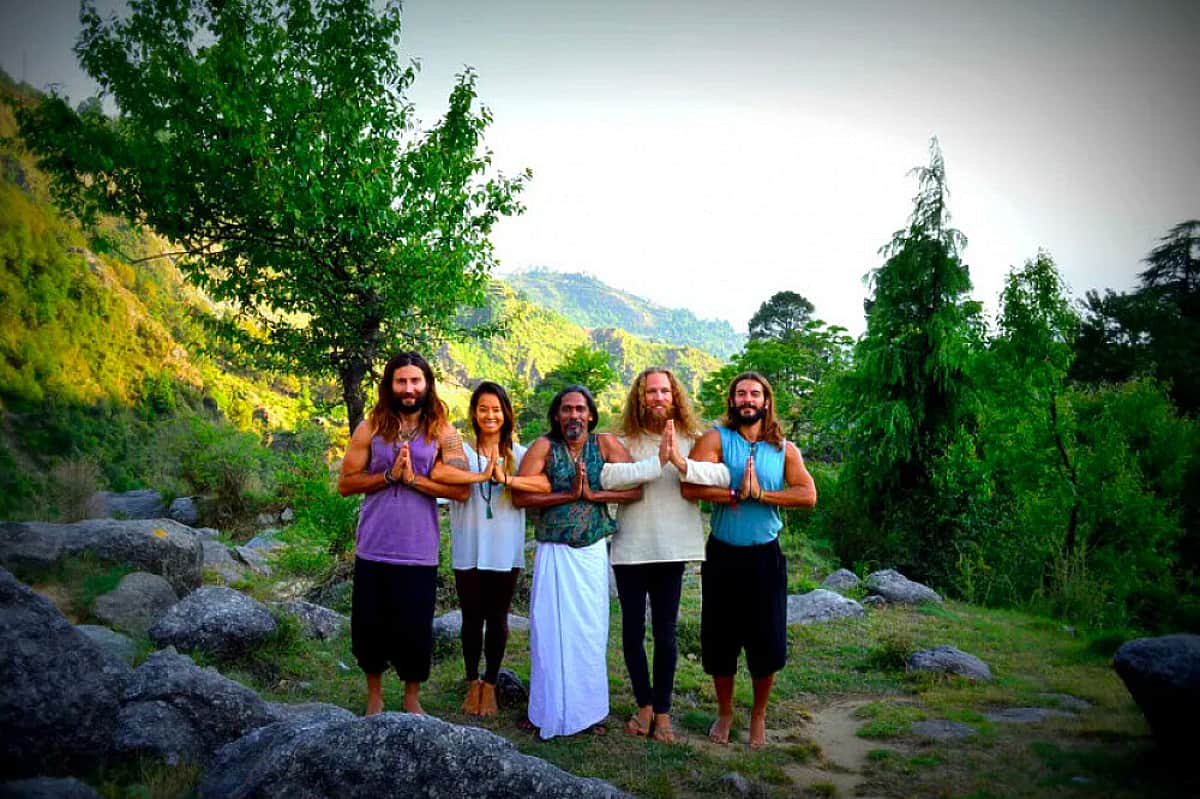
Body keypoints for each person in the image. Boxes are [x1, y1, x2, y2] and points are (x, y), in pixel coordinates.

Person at [681, 371, 817, 748]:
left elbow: (807, 495)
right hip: (723, 555)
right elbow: (689, 486)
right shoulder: (716, 439)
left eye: (754, 394)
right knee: (720, 637)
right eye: (741, 394)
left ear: (766, 402)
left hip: (765, 558)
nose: (747, 400)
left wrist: (761, 495)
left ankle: (758, 715)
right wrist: (734, 495)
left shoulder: (785, 449)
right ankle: (725, 712)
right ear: (732, 401)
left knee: (766, 638)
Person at [599, 367, 728, 743]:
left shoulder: (694, 438)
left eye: (664, 392)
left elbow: (722, 477)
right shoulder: (622, 438)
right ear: (640, 397)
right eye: (650, 391)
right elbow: (607, 478)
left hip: (673, 549)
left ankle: (664, 712)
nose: (657, 397)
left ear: (675, 397)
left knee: (666, 634)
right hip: (631, 546)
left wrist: (680, 461)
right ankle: (643, 705)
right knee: (632, 631)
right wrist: (655, 461)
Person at [337, 351, 470, 716]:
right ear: (390, 385)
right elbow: (346, 484)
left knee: (415, 628)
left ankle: (412, 699)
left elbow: (460, 490)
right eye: (401, 381)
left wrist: (414, 480)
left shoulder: (443, 432)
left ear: (427, 384)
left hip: (419, 549)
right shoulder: (371, 428)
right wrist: (388, 477)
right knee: (370, 627)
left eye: (415, 381)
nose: (409, 388)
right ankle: (375, 698)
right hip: (374, 547)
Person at [511, 384, 641, 739]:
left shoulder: (606, 445)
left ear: (591, 415)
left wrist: (593, 494)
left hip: (592, 551)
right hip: (554, 550)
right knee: (549, 630)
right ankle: (544, 709)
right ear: (556, 415)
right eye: (566, 409)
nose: (573, 415)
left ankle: (589, 711)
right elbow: (520, 495)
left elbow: (636, 488)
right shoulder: (543, 447)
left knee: (589, 630)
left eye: (580, 409)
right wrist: (566, 495)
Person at [430, 381, 551, 717]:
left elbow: (544, 484)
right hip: (469, 544)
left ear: (506, 413)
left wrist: (506, 478)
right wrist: (479, 475)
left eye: (496, 409)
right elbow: (439, 472)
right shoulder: (461, 453)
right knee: (471, 618)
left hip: (504, 547)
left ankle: (492, 685)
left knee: (497, 618)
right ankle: (472, 683)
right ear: (474, 413)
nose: (490, 415)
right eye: (483, 409)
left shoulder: (522, 455)